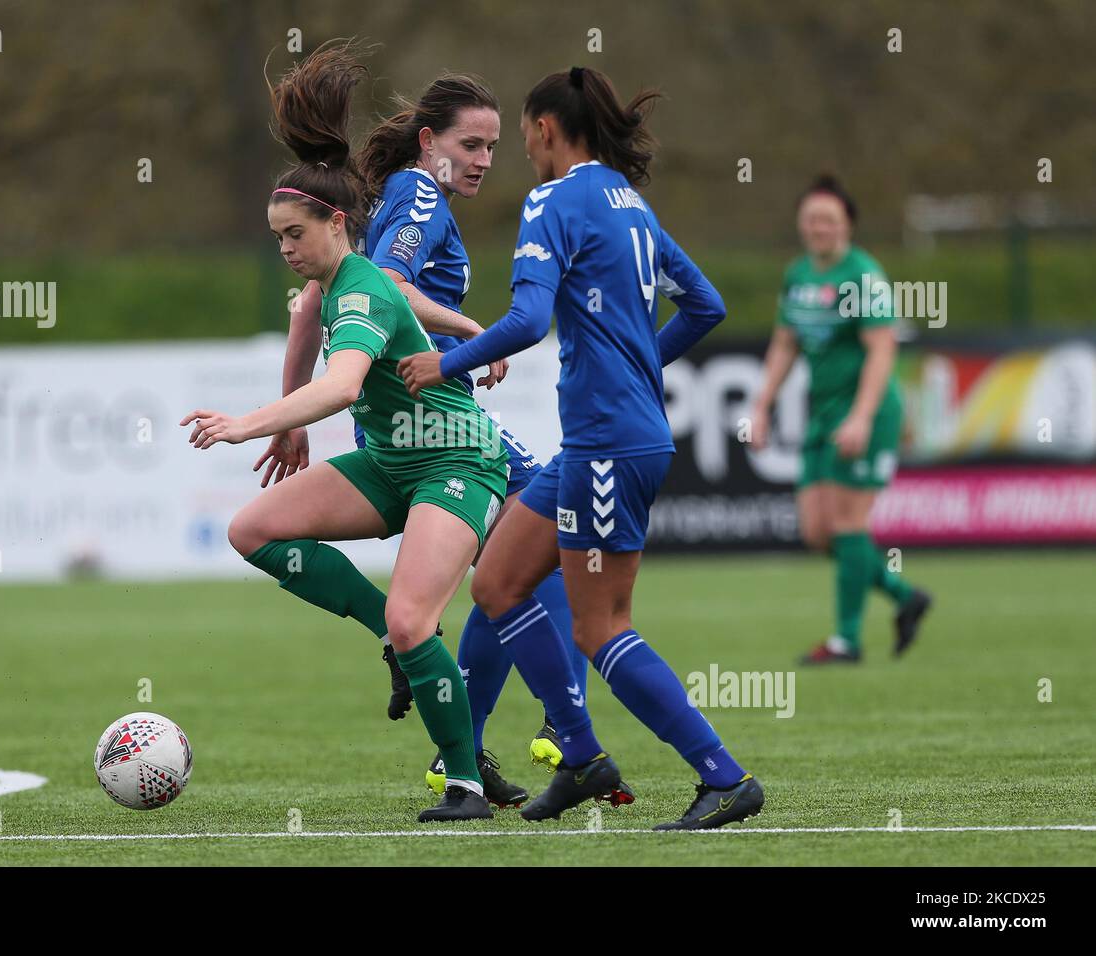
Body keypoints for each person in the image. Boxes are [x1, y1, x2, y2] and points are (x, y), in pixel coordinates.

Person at [399, 65, 763, 830]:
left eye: (524, 135)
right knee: (496, 582)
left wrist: (446, 360)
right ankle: (581, 755)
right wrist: (636, 368)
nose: (520, 151)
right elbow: (705, 304)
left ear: (548, 130)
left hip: (607, 446)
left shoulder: (554, 200)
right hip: (600, 440)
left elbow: (529, 321)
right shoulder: (632, 205)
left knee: (601, 627)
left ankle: (723, 776)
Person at [257, 69, 627, 808]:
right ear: (429, 142)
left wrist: (295, 413)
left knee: (512, 566)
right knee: (533, 546)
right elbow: (390, 287)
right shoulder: (419, 194)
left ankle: (474, 744)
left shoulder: (393, 195)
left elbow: (309, 311)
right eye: (471, 144)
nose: (486, 159)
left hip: (419, 415)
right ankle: (557, 729)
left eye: (494, 146)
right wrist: (476, 335)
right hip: (434, 418)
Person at [182, 42, 506, 821]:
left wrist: (248, 423)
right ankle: (393, 647)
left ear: (334, 223)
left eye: (294, 235)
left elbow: (344, 384)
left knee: (415, 612)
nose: (285, 250)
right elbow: (393, 302)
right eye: (277, 239)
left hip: (454, 462)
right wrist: (466, 323)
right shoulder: (341, 280)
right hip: (391, 461)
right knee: (253, 529)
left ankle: (464, 782)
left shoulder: (354, 293)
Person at [750, 174, 932, 664]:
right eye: (811, 219)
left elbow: (881, 350)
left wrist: (861, 418)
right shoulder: (798, 275)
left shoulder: (862, 276)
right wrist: (761, 404)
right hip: (822, 414)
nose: (818, 227)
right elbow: (786, 342)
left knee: (849, 523)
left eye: (828, 219)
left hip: (866, 413)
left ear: (847, 223)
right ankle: (902, 594)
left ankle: (846, 640)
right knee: (817, 532)